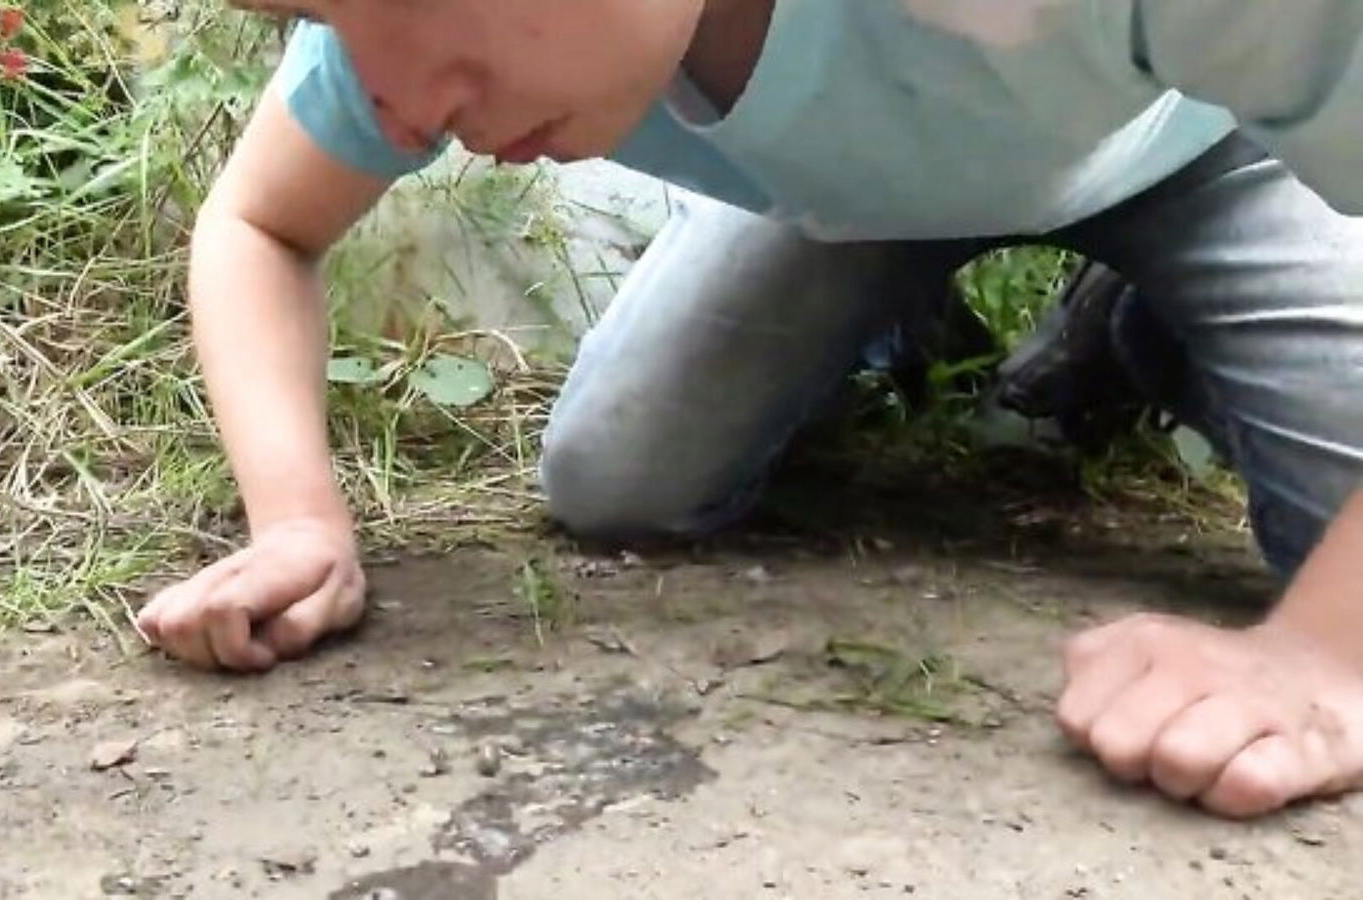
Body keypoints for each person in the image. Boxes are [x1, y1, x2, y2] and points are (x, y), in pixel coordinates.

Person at [137, 0, 1363, 820]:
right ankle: (904, 322)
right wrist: (296, 517)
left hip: (1194, 149)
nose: (394, 100)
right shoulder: (397, 50)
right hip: (837, 208)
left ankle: (1142, 329)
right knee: (621, 477)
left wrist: (1323, 655)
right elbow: (256, 223)